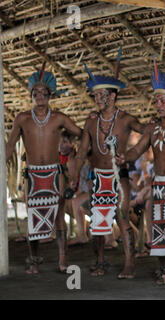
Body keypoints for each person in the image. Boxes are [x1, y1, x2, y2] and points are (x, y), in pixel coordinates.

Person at [116, 62, 165, 287]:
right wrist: (124, 157)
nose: (158, 105)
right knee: (159, 234)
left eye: (163, 100)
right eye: (156, 100)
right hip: (159, 184)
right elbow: (136, 150)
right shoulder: (152, 128)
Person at [71, 50, 145, 279]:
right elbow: (83, 149)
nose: (98, 99)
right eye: (96, 95)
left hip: (118, 174)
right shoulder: (91, 120)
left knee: (122, 217)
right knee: (98, 222)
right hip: (98, 176)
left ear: (112, 97)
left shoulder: (125, 119)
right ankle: (100, 261)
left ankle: (130, 263)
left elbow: (148, 134)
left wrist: (132, 153)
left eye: (102, 95)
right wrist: (75, 175)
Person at [5, 64, 82, 274]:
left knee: (58, 216)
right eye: (36, 93)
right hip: (32, 174)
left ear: (50, 95)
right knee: (33, 216)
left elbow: (82, 134)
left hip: (54, 172)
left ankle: (62, 259)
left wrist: (79, 155)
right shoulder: (22, 118)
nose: (40, 96)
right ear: (31, 95)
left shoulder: (59, 118)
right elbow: (11, 145)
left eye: (44, 93)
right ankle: (34, 260)